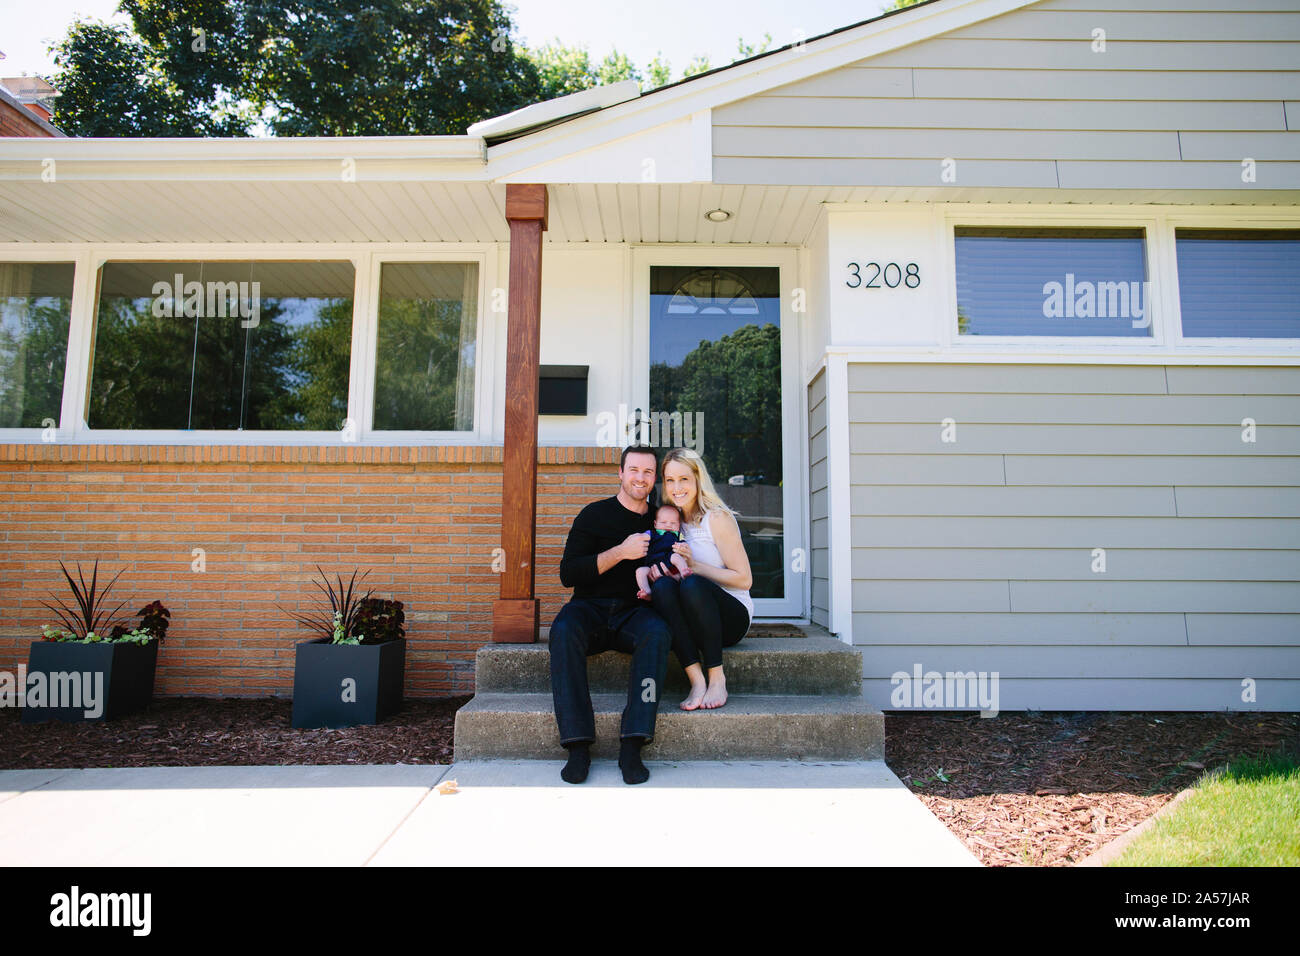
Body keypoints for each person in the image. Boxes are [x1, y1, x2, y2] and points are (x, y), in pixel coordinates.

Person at [549, 445, 672, 785]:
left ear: (655, 479)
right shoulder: (594, 515)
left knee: (658, 633)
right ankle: (577, 745)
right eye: (634, 470)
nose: (640, 478)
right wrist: (620, 552)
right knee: (562, 630)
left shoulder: (661, 520)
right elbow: (568, 574)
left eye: (648, 472)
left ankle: (633, 743)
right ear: (620, 473)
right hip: (589, 608)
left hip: (635, 611)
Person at [648, 447, 753, 711]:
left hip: (730, 616)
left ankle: (717, 678)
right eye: (670, 480)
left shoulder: (716, 519)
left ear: (698, 479)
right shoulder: (670, 521)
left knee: (693, 582)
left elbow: (744, 580)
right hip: (692, 619)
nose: (677, 487)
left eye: (684, 479)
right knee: (662, 587)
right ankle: (696, 680)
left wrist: (695, 566)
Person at [634, 503, 692, 600]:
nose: (668, 525)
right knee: (640, 571)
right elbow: (642, 538)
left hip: (669, 561)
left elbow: (684, 544)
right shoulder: (652, 533)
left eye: (673, 523)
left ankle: (684, 572)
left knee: (676, 557)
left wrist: (682, 546)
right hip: (652, 565)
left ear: (679, 525)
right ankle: (647, 592)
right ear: (655, 524)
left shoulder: (678, 535)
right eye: (664, 522)